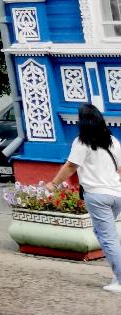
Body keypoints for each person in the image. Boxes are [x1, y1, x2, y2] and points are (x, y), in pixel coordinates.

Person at [54, 103, 121, 294]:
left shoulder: (81, 142)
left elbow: (70, 166)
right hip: (117, 194)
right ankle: (117, 275)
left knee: (107, 237)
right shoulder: (113, 141)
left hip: (97, 195)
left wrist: (54, 183)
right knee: (104, 234)